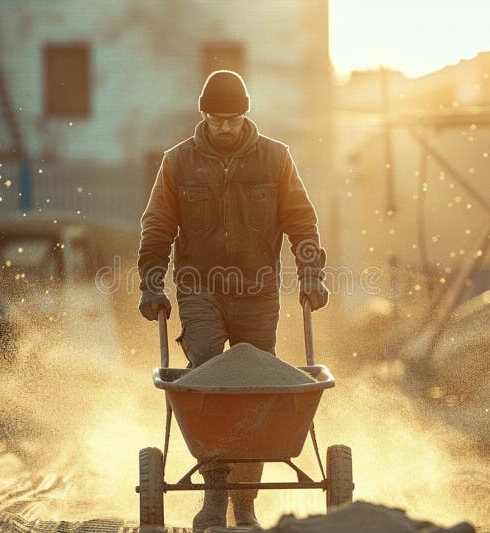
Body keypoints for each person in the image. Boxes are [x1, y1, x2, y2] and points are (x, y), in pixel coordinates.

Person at [137, 69, 328, 531]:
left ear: (246, 114)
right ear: (203, 115)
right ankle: (215, 496)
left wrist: (311, 273)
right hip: (200, 289)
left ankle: (245, 505)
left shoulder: (275, 158)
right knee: (207, 381)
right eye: (218, 119)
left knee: (256, 391)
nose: (226, 127)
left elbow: (301, 220)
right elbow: (158, 225)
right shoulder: (178, 162)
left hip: (258, 290)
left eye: (234, 118)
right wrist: (152, 282)